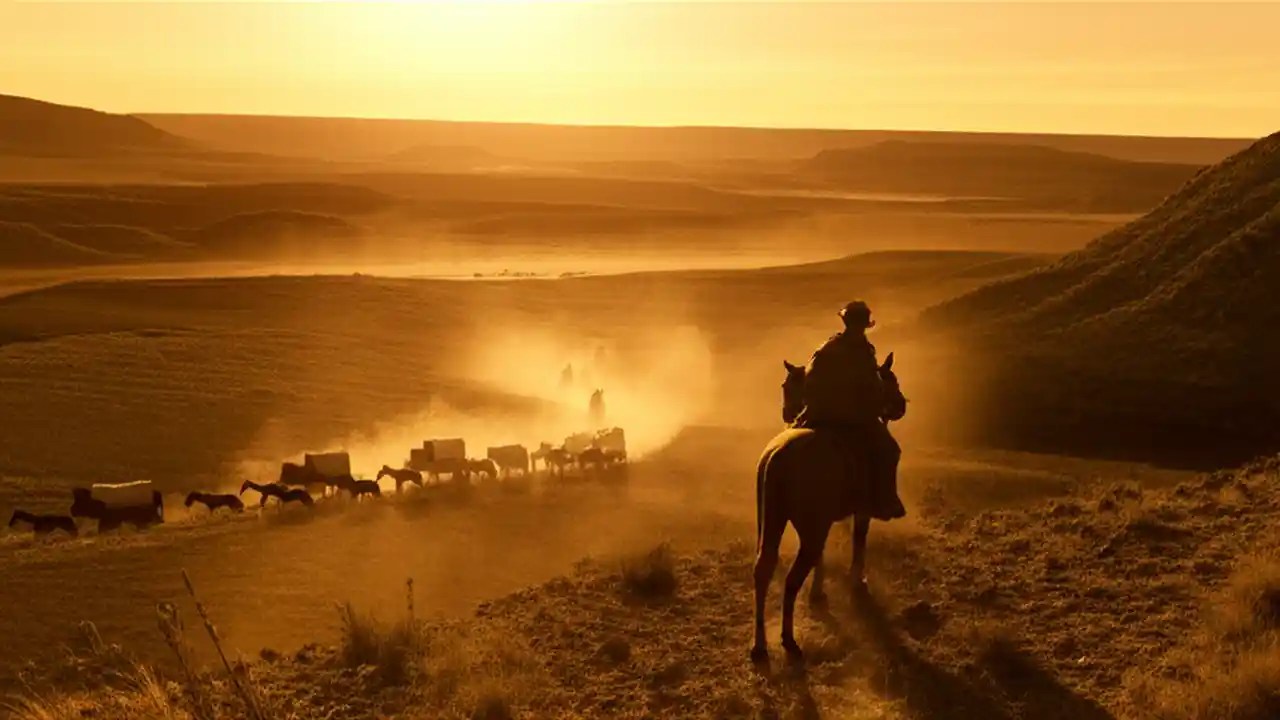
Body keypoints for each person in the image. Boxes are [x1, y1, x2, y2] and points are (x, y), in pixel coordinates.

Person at [796, 300, 905, 520]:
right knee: (889, 449)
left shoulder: (827, 347)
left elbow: (811, 378)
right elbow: (872, 386)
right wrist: (876, 405)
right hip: (853, 419)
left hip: (820, 414)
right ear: (864, 325)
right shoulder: (864, 352)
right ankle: (885, 500)